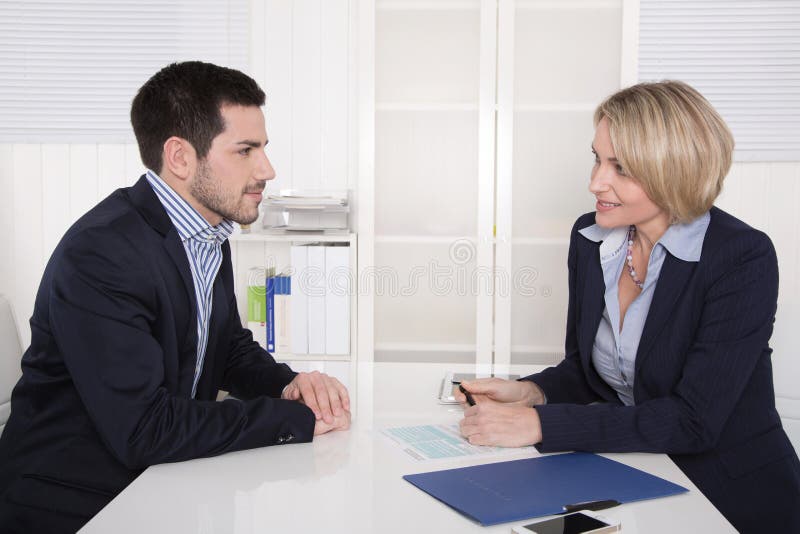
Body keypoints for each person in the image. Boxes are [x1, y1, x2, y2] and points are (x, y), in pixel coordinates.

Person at [0, 61, 351, 533]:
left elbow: (223, 346)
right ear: (181, 157)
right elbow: (144, 428)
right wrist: (289, 419)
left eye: (263, 149)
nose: (267, 169)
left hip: (159, 479)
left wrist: (287, 383)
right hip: (77, 501)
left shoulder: (208, 233)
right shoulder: (104, 253)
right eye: (245, 150)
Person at [456, 80, 800, 533]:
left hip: (729, 495)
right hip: (632, 474)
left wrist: (540, 423)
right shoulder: (591, 238)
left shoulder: (741, 257)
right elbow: (587, 373)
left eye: (621, 168)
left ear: (673, 170)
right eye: (597, 158)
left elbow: (694, 420)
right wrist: (531, 392)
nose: (595, 181)